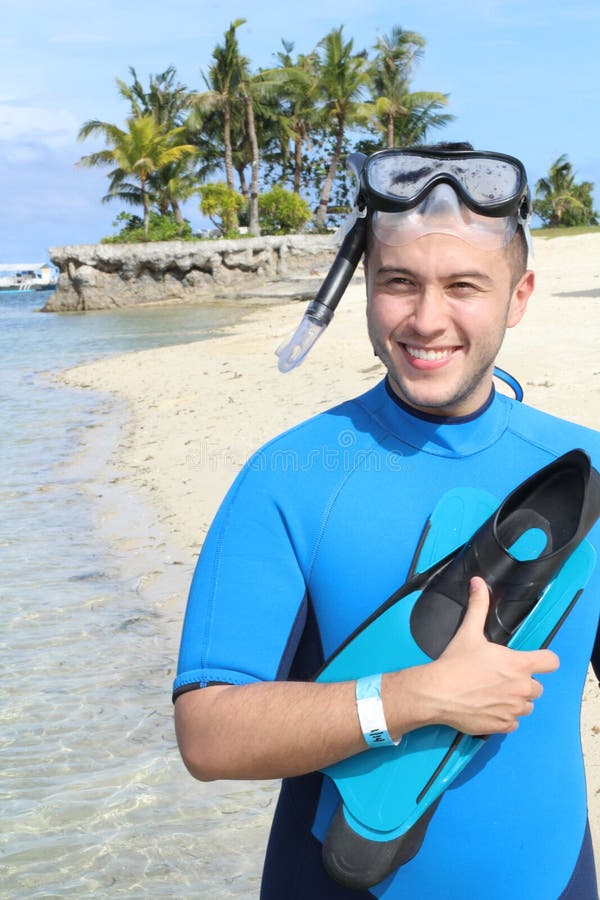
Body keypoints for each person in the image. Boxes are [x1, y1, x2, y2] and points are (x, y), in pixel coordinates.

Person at [173, 144, 600, 899]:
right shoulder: (291, 478)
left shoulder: (586, 475)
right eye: (399, 282)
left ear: (520, 294)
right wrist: (416, 698)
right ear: (367, 284)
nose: (427, 320)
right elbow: (207, 735)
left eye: (464, 286)